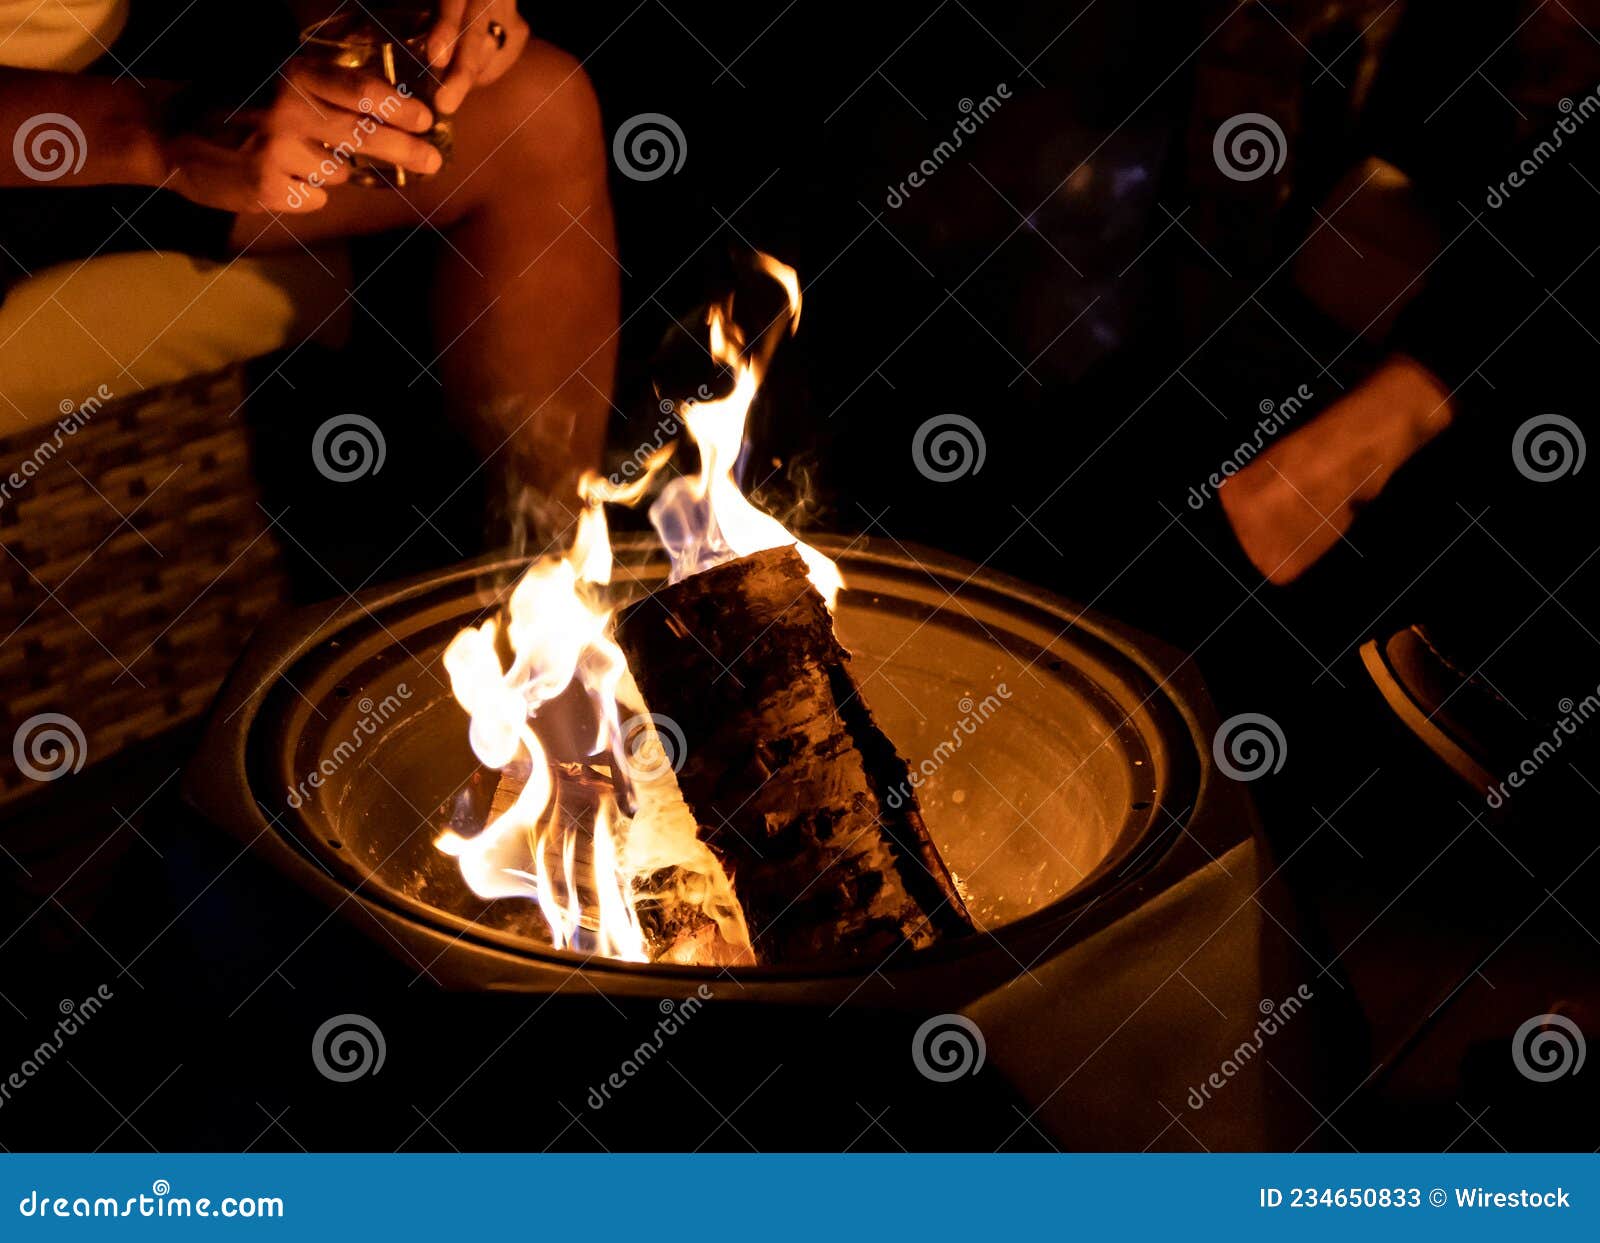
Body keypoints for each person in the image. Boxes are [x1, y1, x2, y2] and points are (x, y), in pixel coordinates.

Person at [0, 0, 617, 500]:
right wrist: (152, 132)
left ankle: (556, 594)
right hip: (45, 144)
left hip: (143, 36)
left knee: (540, 114)